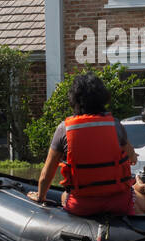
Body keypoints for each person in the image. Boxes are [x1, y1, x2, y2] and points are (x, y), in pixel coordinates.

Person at [28, 73, 137, 216]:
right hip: (118, 204)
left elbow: (46, 174)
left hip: (82, 206)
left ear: (74, 100)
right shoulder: (115, 124)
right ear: (103, 98)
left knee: (63, 196)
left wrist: (41, 197)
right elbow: (132, 159)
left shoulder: (64, 129)